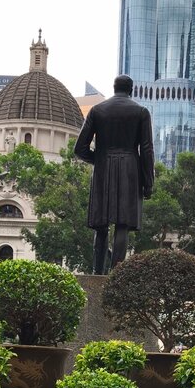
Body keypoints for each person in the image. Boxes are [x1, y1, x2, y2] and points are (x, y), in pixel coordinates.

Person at [74, 74, 154, 274]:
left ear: (114, 88)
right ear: (131, 90)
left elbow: (80, 149)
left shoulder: (97, 110)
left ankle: (97, 272)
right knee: (122, 224)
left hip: (103, 170)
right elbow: (146, 149)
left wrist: (99, 160)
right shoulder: (141, 112)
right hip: (130, 170)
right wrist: (148, 181)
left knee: (101, 225)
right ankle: (116, 274)